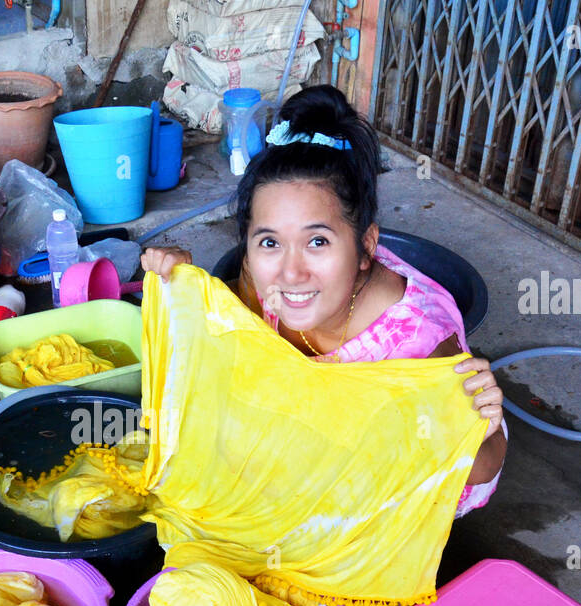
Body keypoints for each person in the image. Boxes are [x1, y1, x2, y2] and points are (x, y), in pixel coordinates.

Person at [141, 85, 506, 519]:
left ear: (365, 245)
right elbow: (226, 333)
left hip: (408, 484)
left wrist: (482, 427)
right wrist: (184, 281)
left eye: (317, 241)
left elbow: (479, 467)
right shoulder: (259, 278)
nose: (291, 272)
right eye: (270, 241)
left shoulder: (419, 342)